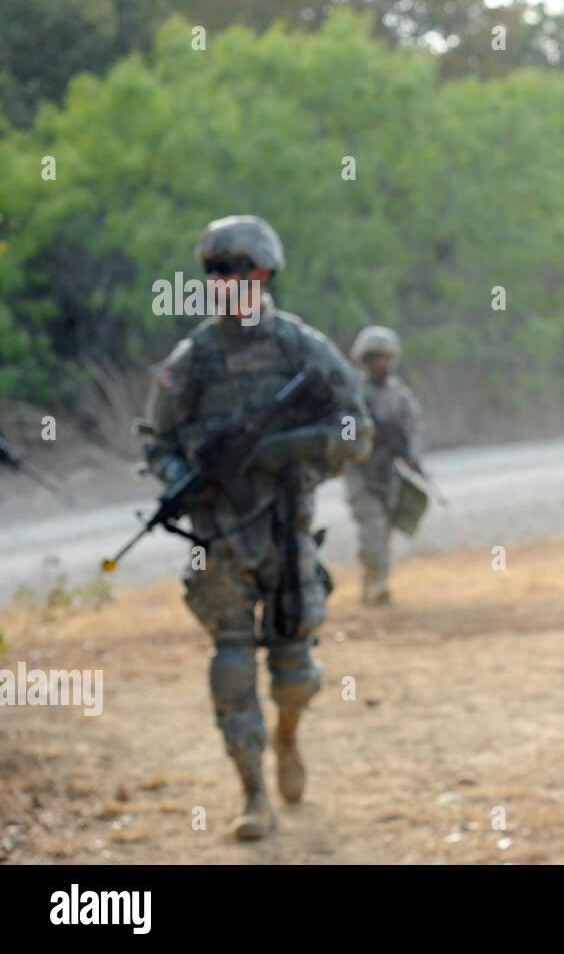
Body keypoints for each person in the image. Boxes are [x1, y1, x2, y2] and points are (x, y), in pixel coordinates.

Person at [139, 215, 372, 840]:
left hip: (284, 532)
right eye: (211, 271)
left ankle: (287, 737)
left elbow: (358, 429)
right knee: (232, 665)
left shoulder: (301, 348)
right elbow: (153, 438)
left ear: (263, 274)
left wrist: (289, 447)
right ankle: (253, 794)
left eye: (232, 269)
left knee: (295, 673)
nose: (221, 281)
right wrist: (181, 477)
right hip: (217, 539)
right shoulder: (193, 360)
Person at [343, 326, 425, 606]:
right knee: (373, 525)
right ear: (364, 360)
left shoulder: (399, 395)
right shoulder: (351, 394)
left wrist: (411, 455)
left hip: (388, 472)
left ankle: (375, 578)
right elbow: (342, 432)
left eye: (387, 358)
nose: (383, 364)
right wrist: (365, 437)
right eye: (377, 358)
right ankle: (376, 580)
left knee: (386, 527)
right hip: (359, 473)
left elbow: (412, 430)